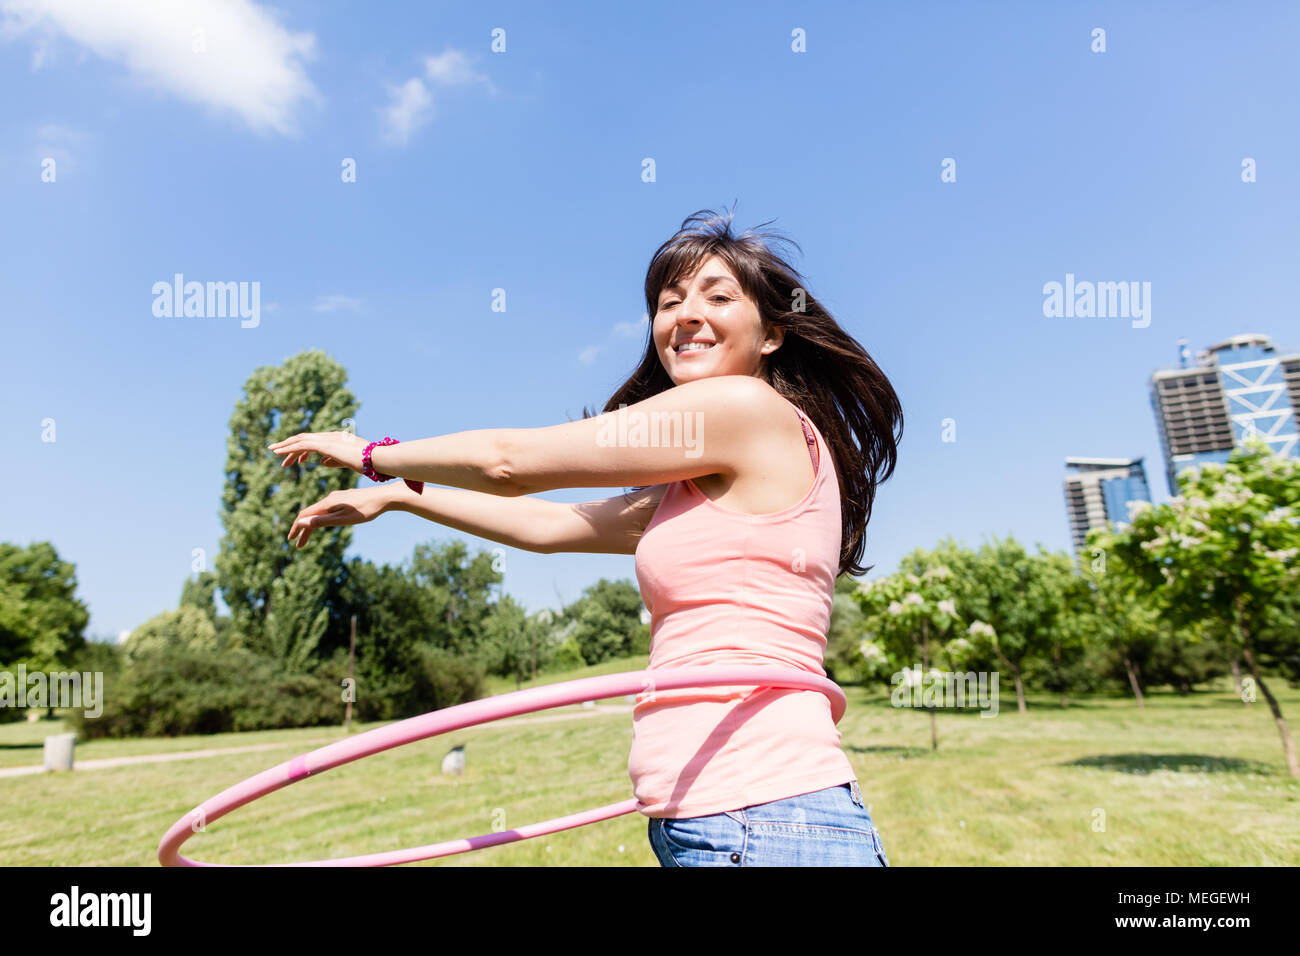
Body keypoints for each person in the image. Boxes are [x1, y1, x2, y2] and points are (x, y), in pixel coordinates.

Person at [269, 205, 904, 866]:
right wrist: (401, 499)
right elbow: (549, 527)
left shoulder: (742, 410)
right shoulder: (704, 484)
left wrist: (372, 453)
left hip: (762, 811)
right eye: (668, 301)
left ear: (772, 334)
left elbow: (508, 463)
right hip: (729, 819)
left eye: (718, 296)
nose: (685, 314)